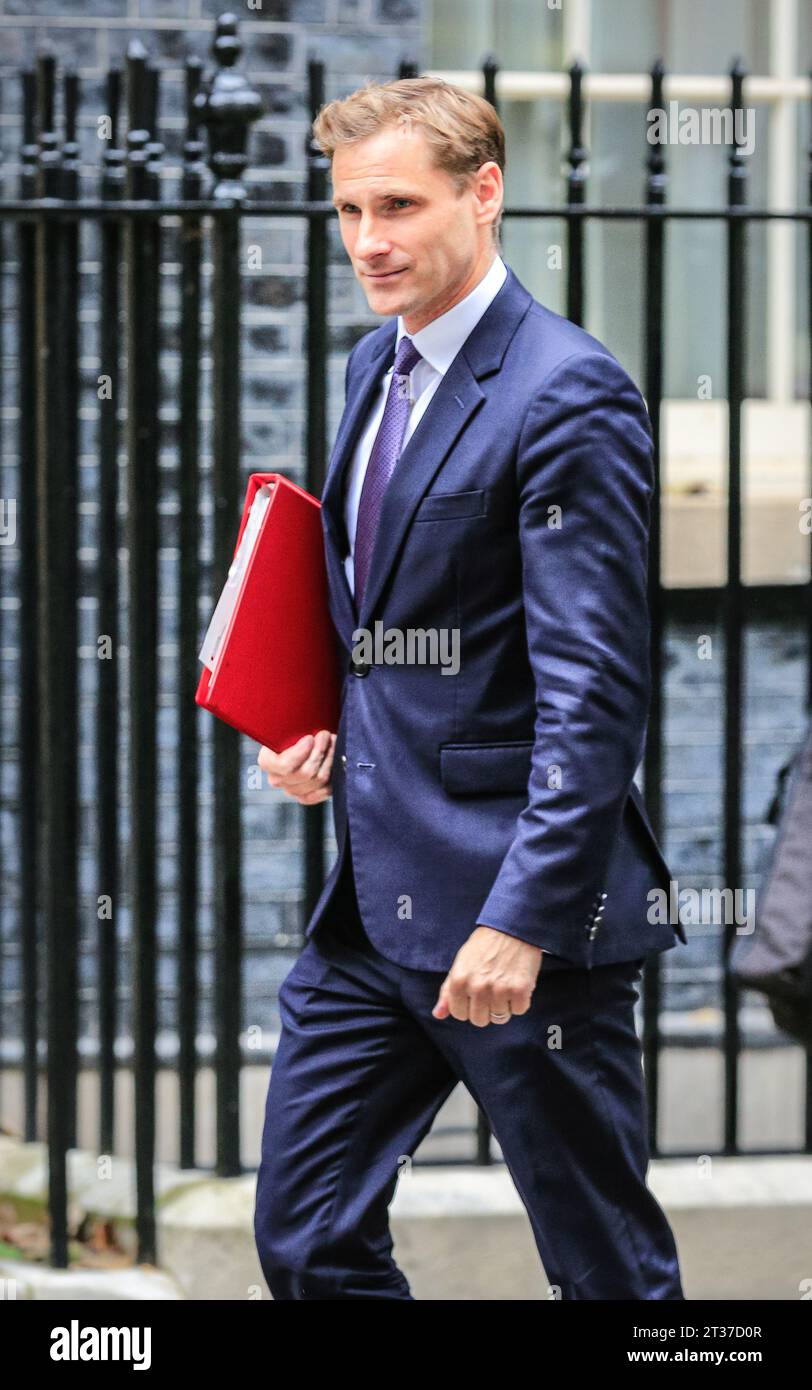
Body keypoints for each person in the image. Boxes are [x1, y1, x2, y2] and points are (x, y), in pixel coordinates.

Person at [253, 76, 687, 1300]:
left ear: (483, 192)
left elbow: (593, 690)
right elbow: (392, 615)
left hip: (517, 926)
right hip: (369, 910)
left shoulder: (566, 390)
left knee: (606, 1273)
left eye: (396, 204)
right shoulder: (367, 368)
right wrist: (320, 727)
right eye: (345, 212)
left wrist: (523, 919)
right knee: (306, 1241)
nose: (366, 242)